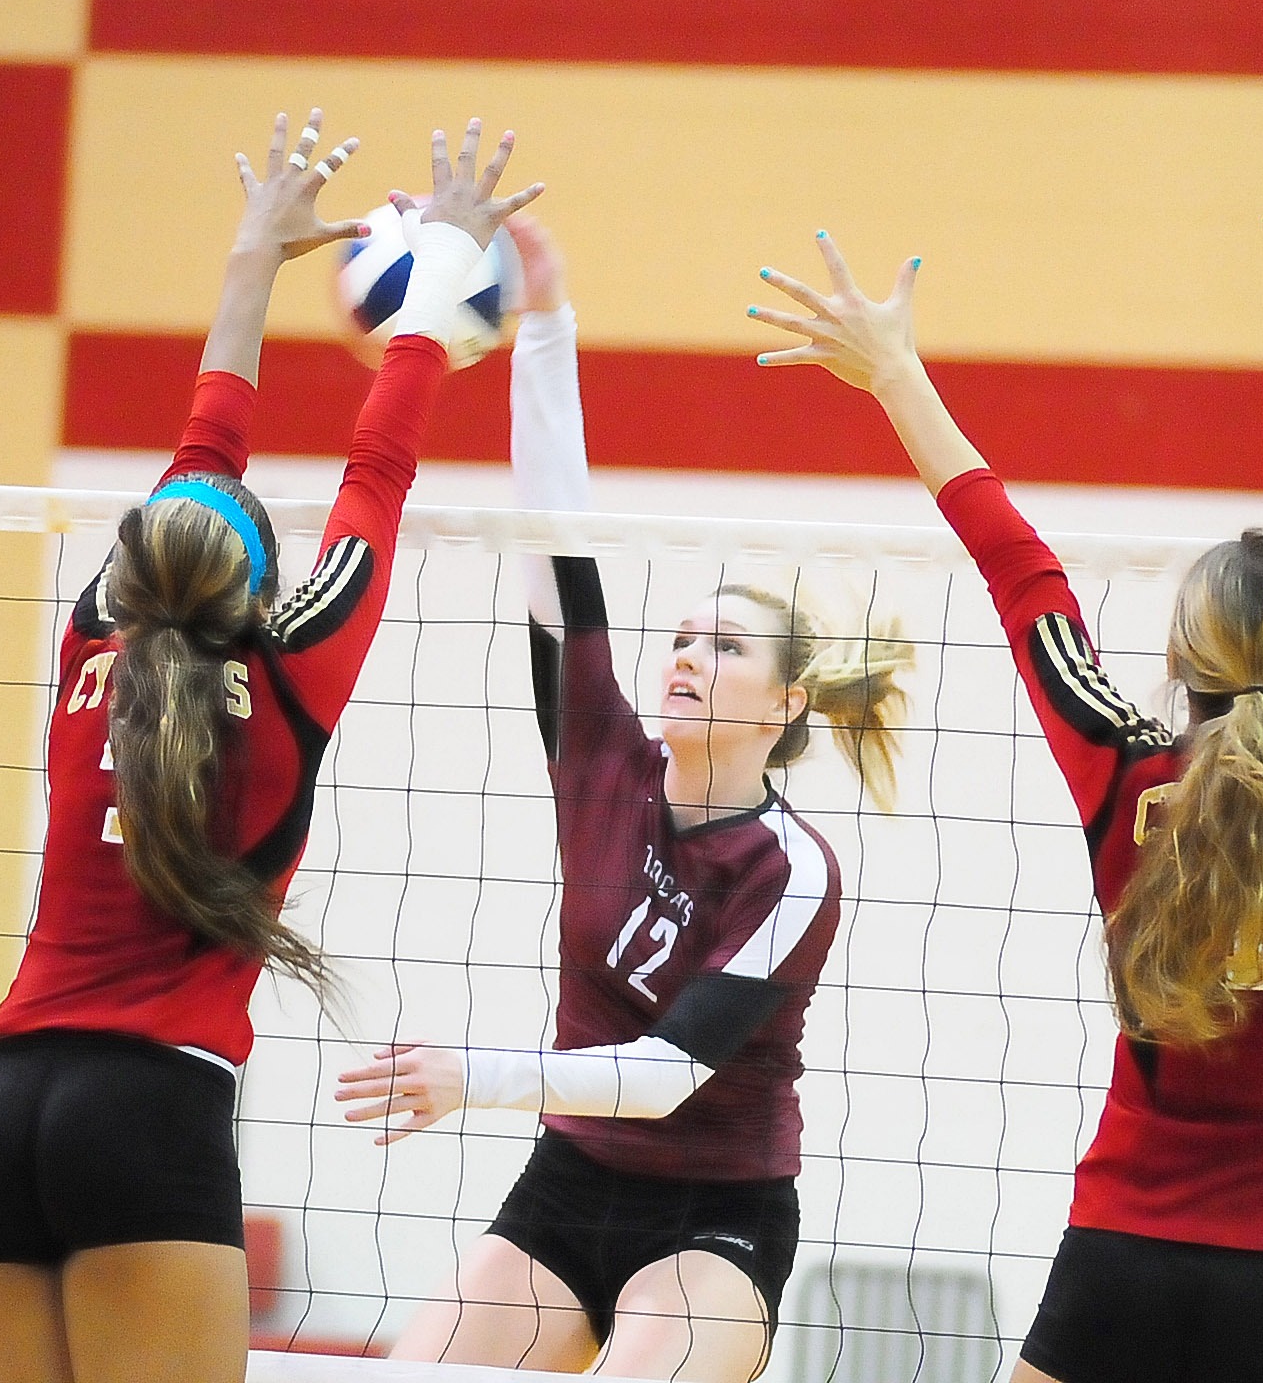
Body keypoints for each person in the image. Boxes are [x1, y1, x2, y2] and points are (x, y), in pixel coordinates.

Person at [748, 124, 1263, 1382]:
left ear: (1178, 660)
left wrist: (895, 373)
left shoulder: (1125, 770)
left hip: (1122, 1250)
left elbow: (1018, 569)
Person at [0, 109, 542, 1383]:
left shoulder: (90, 656)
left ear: (132, 568)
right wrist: (446, 271)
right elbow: (378, 465)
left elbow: (203, 454)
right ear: (259, 585)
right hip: (146, 1111)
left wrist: (252, 257)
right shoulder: (286, 673)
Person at [334, 217, 915, 1381]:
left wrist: (474, 1075)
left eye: (727, 646)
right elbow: (558, 535)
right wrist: (546, 319)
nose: (687, 654)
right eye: (684, 635)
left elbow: (665, 1074)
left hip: (714, 1213)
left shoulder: (790, 870)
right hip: (568, 1183)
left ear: (785, 702)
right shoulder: (603, 758)